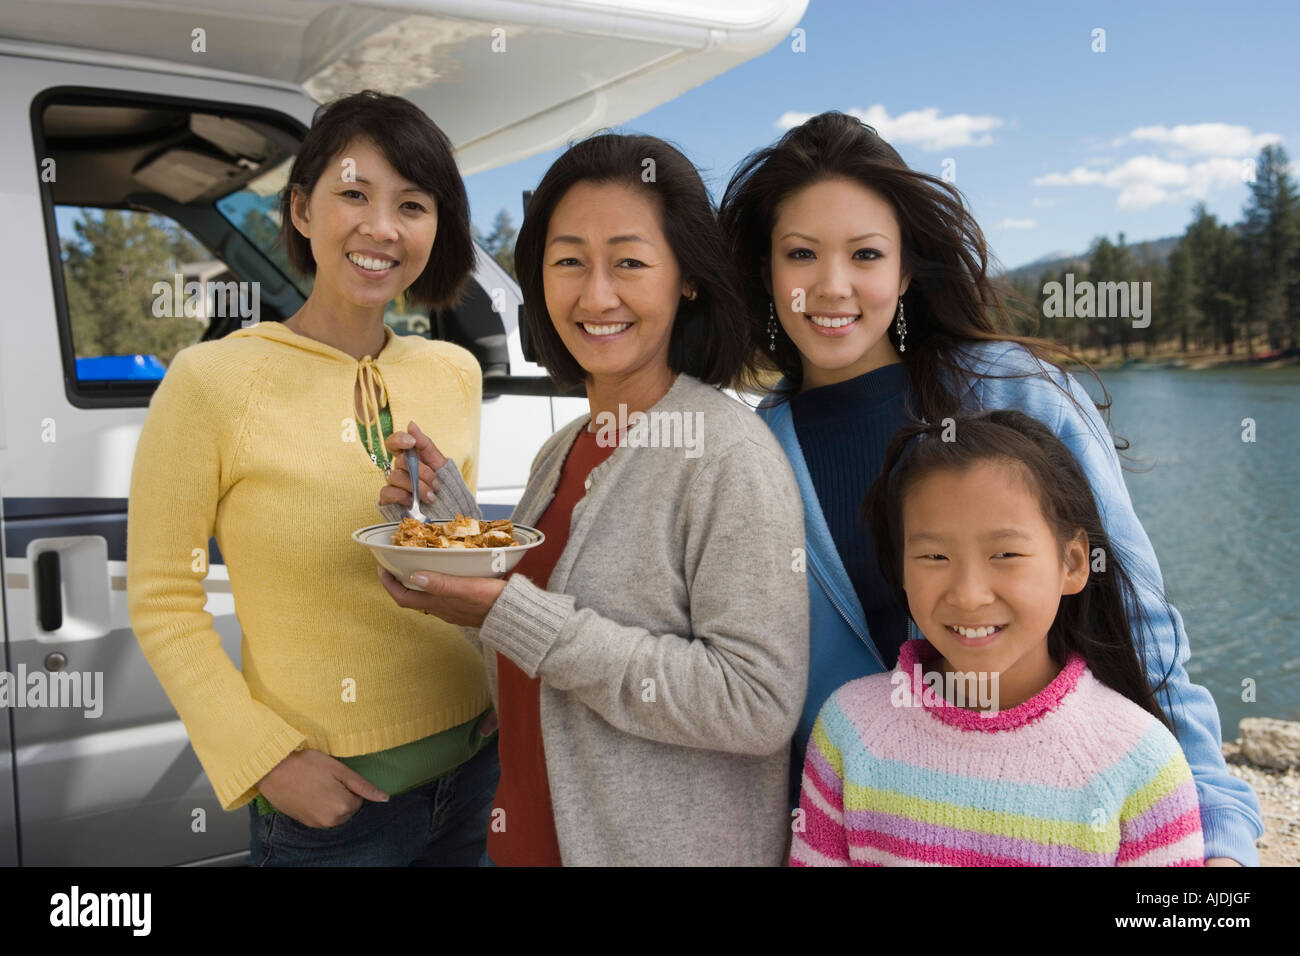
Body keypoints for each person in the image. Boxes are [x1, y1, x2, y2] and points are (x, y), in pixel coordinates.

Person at [718, 110, 1262, 864]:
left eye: (866, 254)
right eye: (801, 254)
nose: (831, 286)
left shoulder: (1017, 393)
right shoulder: (752, 448)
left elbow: (1139, 622)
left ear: (905, 272)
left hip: (1043, 825)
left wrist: (1221, 834)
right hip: (873, 832)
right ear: (766, 270)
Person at [376, 132, 809, 866]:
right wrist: (448, 525)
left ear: (688, 280)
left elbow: (757, 704)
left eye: (630, 263)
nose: (596, 294)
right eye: (569, 261)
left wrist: (511, 612)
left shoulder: (726, 457)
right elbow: (526, 650)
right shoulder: (563, 450)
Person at [126, 91, 498, 866]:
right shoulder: (210, 382)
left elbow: (455, 567)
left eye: (413, 204)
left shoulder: (455, 372)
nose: (382, 228)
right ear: (301, 210)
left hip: (478, 777)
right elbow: (162, 599)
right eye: (354, 194)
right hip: (332, 813)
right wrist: (267, 761)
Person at [790, 410, 1205, 866]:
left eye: (1005, 553)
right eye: (934, 555)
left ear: (1072, 563)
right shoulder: (850, 731)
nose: (969, 595)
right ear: (901, 567)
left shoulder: (1140, 761)